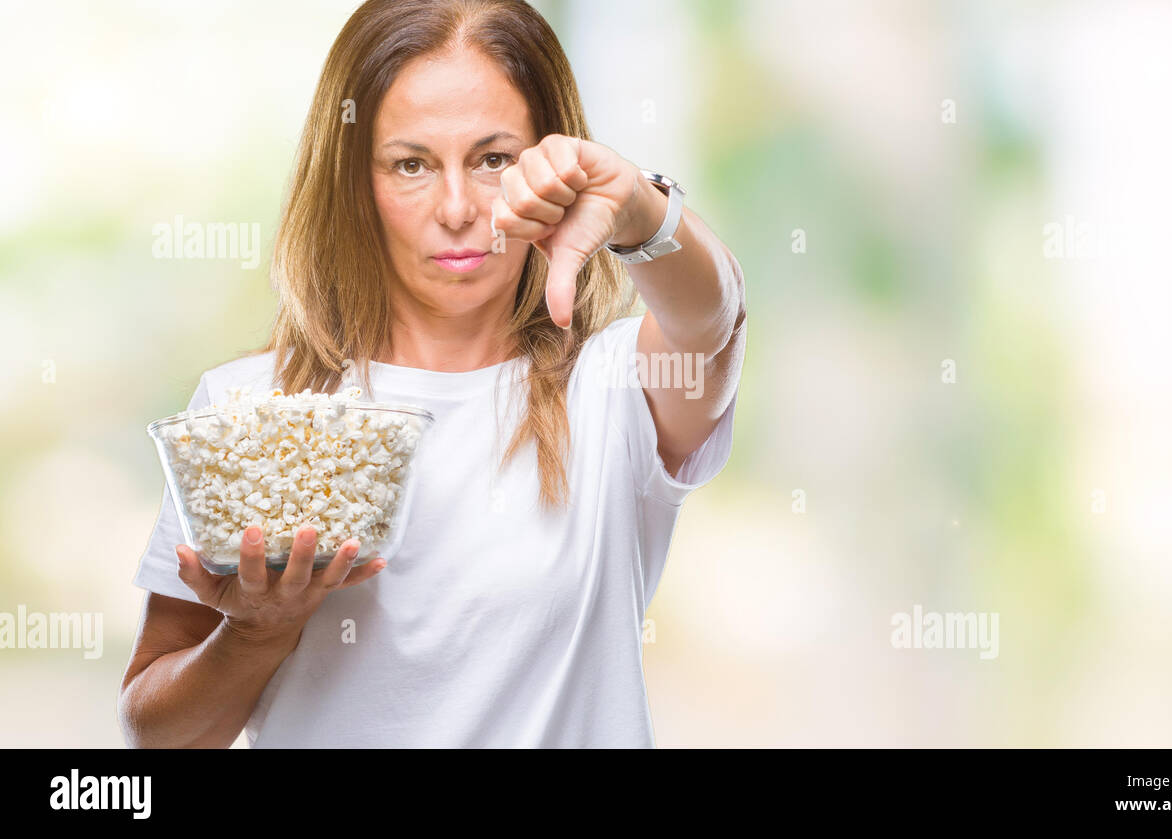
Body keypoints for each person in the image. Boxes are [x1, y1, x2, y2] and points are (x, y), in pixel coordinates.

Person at [119, 0, 745, 748]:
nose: (457, 209)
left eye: (494, 160)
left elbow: (716, 320)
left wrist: (641, 206)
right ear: (356, 181)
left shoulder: (615, 390)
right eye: (411, 164)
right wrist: (257, 633)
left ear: (552, 163)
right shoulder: (252, 408)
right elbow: (156, 737)